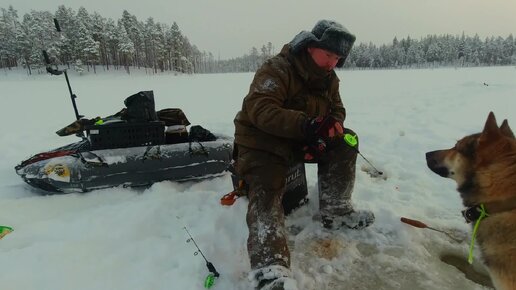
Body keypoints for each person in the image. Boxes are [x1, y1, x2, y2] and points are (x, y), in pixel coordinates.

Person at [233, 20, 375, 290]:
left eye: (337, 57)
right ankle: (269, 268)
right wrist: (308, 126)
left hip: (301, 138)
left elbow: (337, 110)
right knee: (267, 186)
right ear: (311, 46)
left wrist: (329, 130)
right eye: (328, 55)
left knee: (347, 140)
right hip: (262, 141)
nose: (332, 63)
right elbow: (261, 110)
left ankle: (337, 210)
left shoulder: (329, 78)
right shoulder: (277, 68)